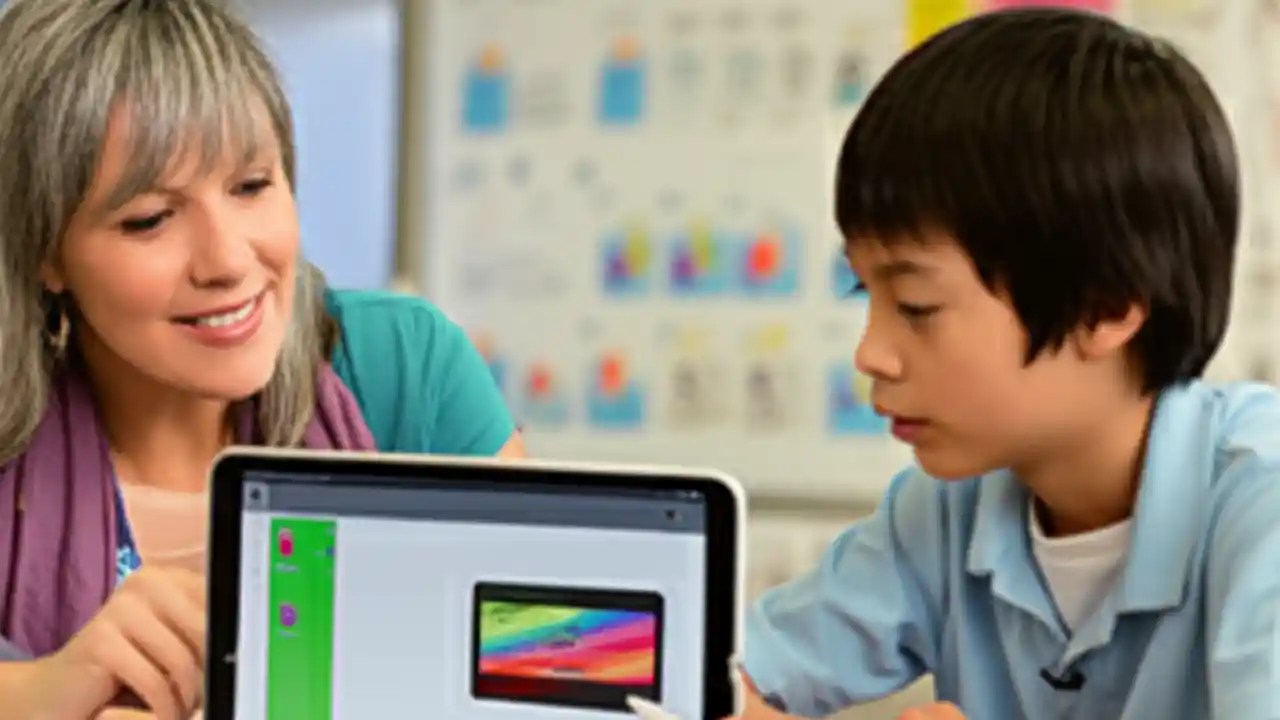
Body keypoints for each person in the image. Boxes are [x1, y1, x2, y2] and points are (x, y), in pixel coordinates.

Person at [735, 8, 1278, 720]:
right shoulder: (944, 512)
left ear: (1105, 309)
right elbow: (710, 681)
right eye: (864, 293)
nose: (869, 352)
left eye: (918, 306)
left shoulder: (1261, 503)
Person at [0, 1, 523, 718]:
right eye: (150, 219)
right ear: (45, 253)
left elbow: (555, 649)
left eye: (252, 186)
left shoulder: (402, 367)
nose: (228, 260)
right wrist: (36, 694)